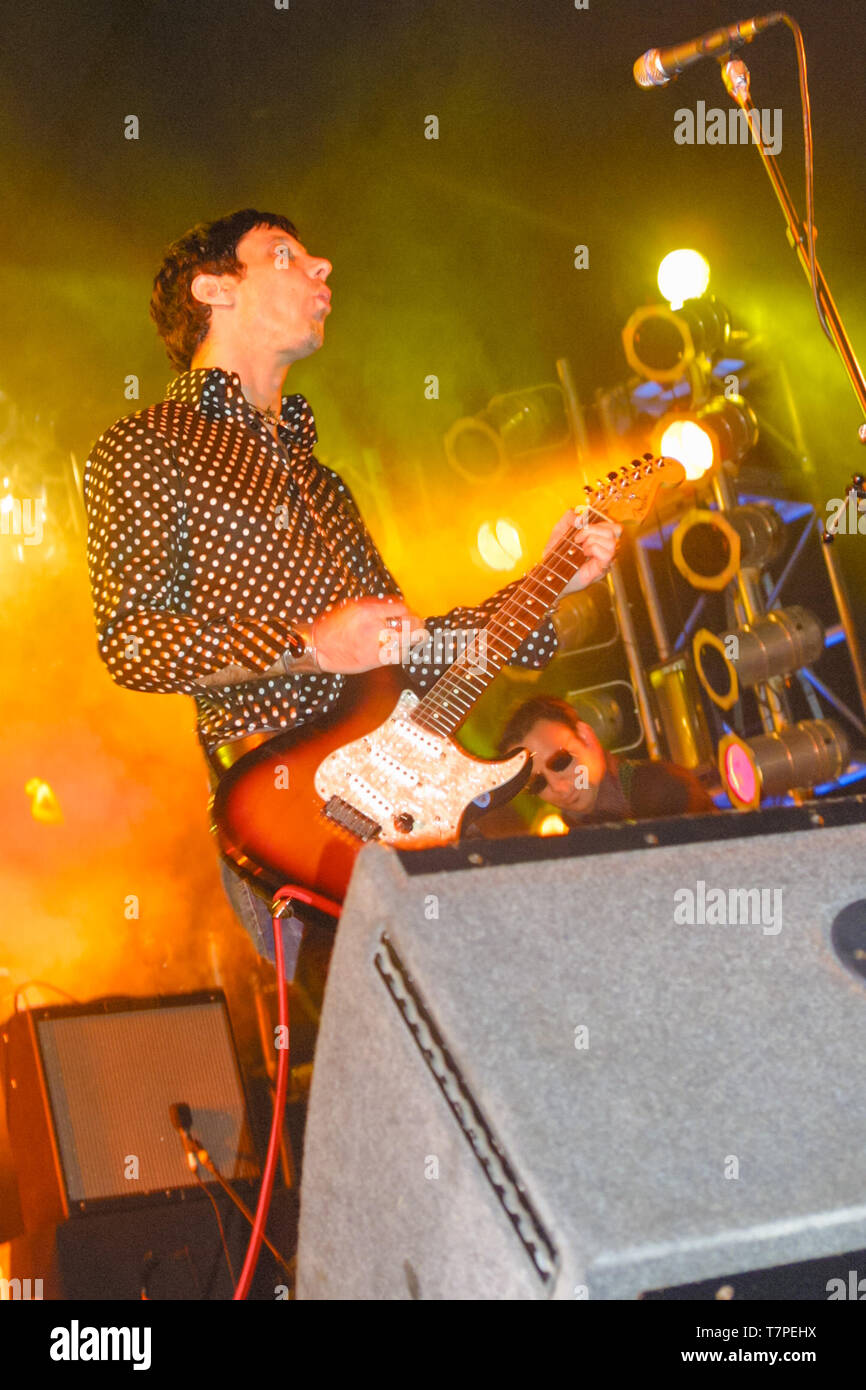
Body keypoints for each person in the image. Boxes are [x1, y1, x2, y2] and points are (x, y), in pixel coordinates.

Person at [83, 208, 621, 978]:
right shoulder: (145, 445)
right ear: (213, 289)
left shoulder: (323, 483)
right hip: (297, 819)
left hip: (412, 809)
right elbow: (133, 642)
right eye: (284, 254)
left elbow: (411, 654)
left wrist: (548, 582)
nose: (322, 266)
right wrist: (310, 645)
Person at [477, 693, 716, 833]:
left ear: (587, 737)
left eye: (560, 762)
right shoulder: (570, 842)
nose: (559, 787)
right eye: (538, 784)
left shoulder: (661, 788)